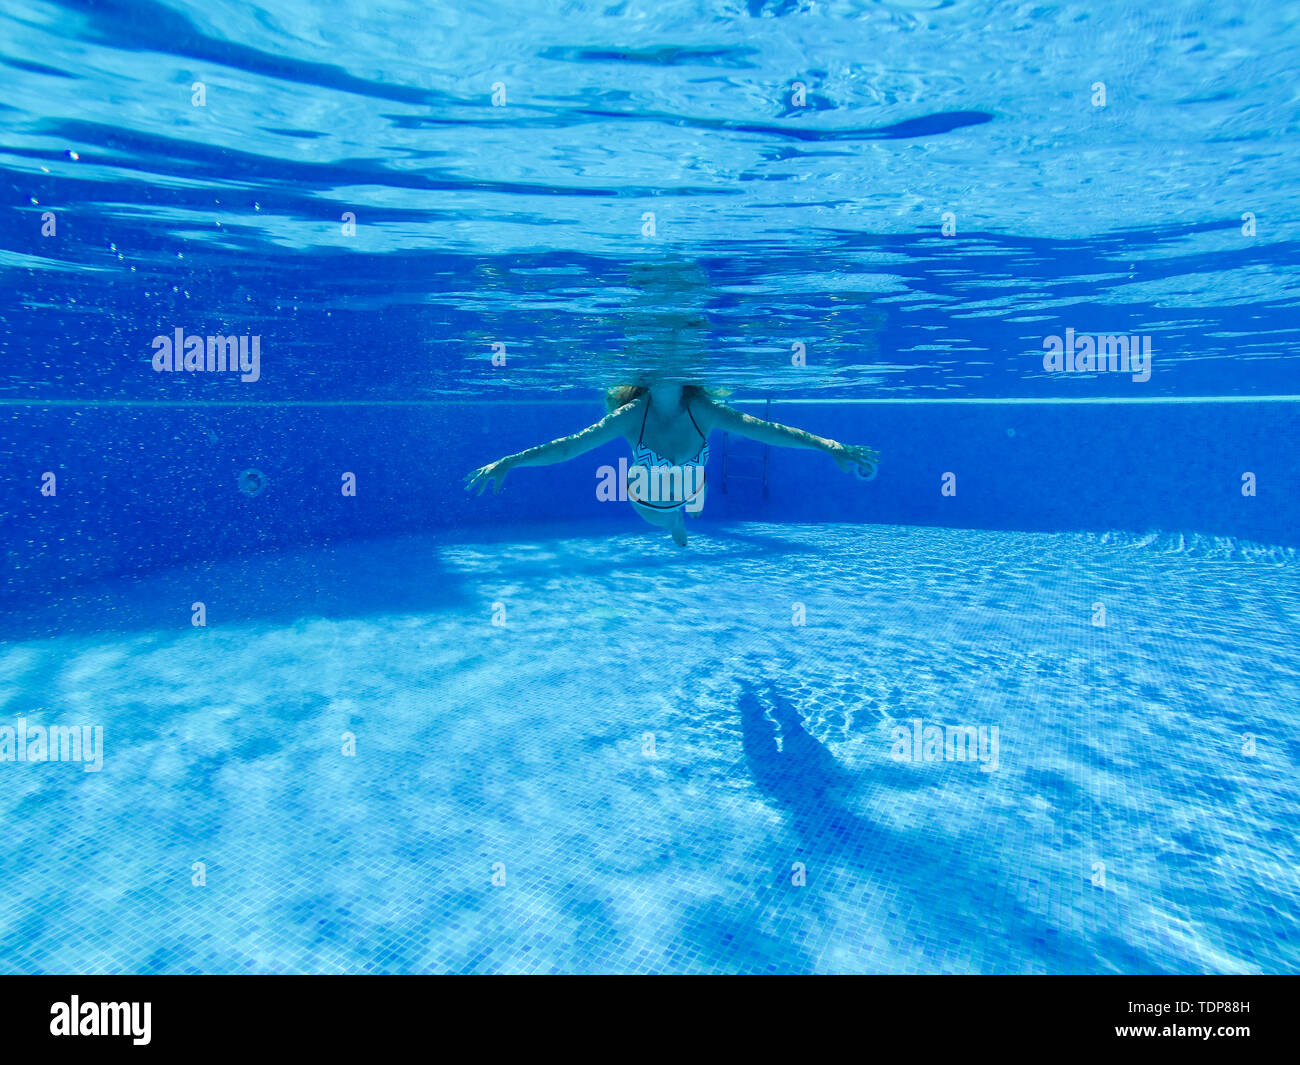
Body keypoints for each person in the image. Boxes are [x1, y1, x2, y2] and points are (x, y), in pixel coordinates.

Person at [465, 381, 880, 546]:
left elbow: (772, 432)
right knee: (670, 520)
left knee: (684, 501)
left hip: (685, 483)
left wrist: (830, 446)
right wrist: (509, 462)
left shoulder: (708, 409)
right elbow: (570, 448)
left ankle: (682, 517)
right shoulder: (631, 415)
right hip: (649, 503)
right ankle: (678, 524)